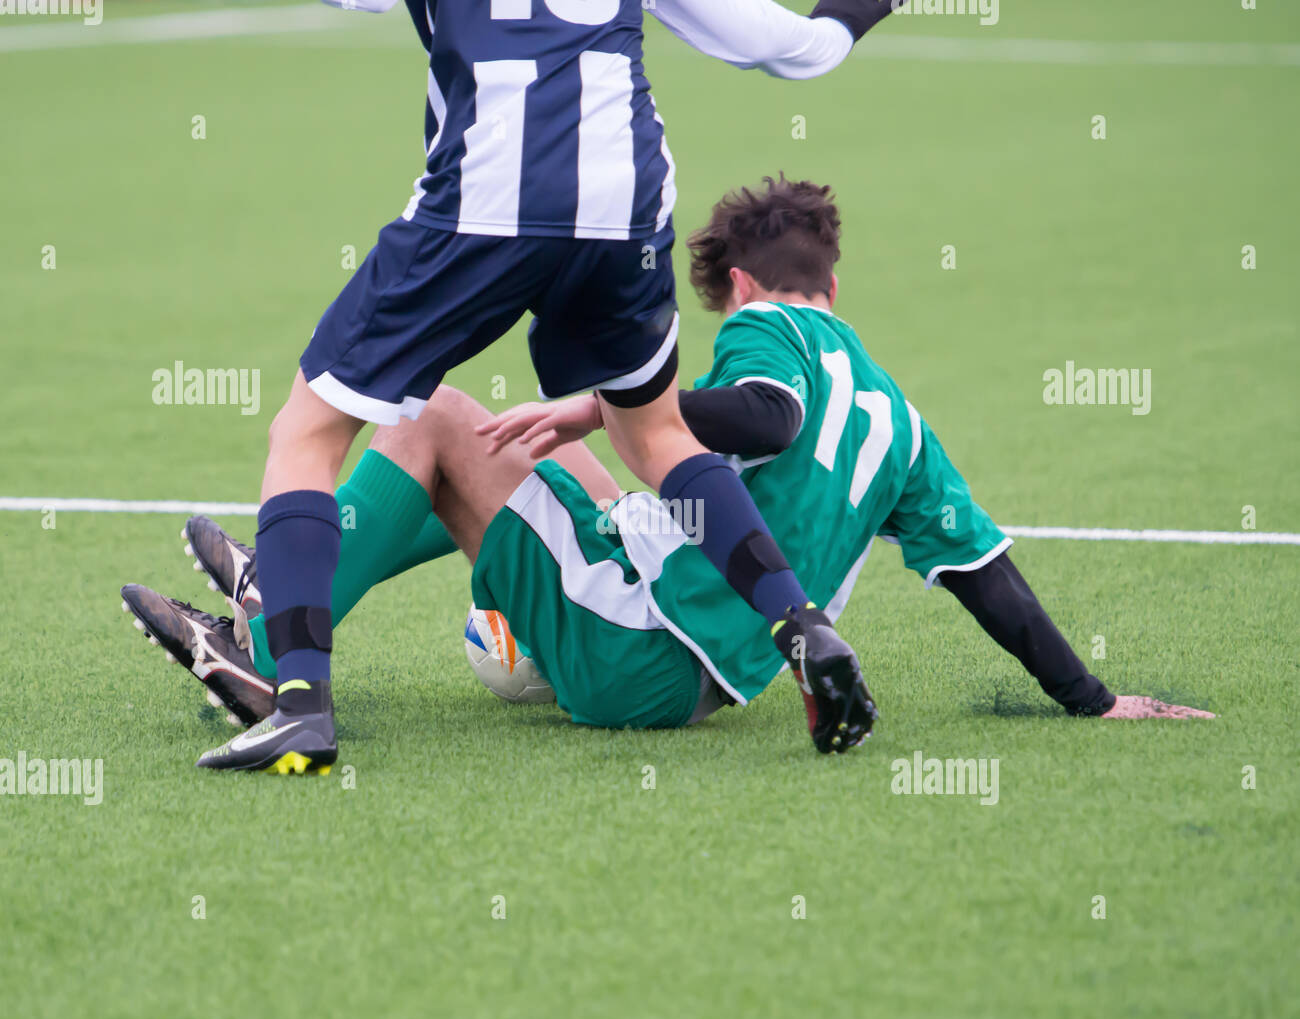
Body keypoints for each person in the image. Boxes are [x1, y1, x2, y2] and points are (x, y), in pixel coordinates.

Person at [121, 177, 1210, 772]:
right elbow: (991, 578)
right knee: (547, 455)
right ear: (835, 277)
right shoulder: (901, 420)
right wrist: (1092, 697)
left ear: (740, 283)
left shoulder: (764, 335)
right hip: (695, 674)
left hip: (636, 647)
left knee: (441, 413)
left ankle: (269, 642)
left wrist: (610, 398)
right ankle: (282, 583)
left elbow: (763, 419)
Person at [223, 0, 898, 773]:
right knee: (658, 434)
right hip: (622, 201)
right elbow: (796, 49)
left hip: (484, 194)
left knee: (306, 432)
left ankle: (300, 702)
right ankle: (798, 621)